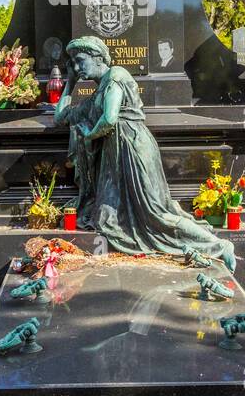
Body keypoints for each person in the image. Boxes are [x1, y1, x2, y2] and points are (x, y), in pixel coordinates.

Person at [54, 35, 235, 270]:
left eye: (80, 61)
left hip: (134, 150)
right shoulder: (97, 93)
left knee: (157, 214)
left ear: (99, 58)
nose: (77, 68)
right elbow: (60, 117)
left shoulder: (116, 76)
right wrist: (69, 82)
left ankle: (219, 246)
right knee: (106, 218)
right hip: (117, 157)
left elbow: (109, 119)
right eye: (73, 64)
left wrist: (89, 135)